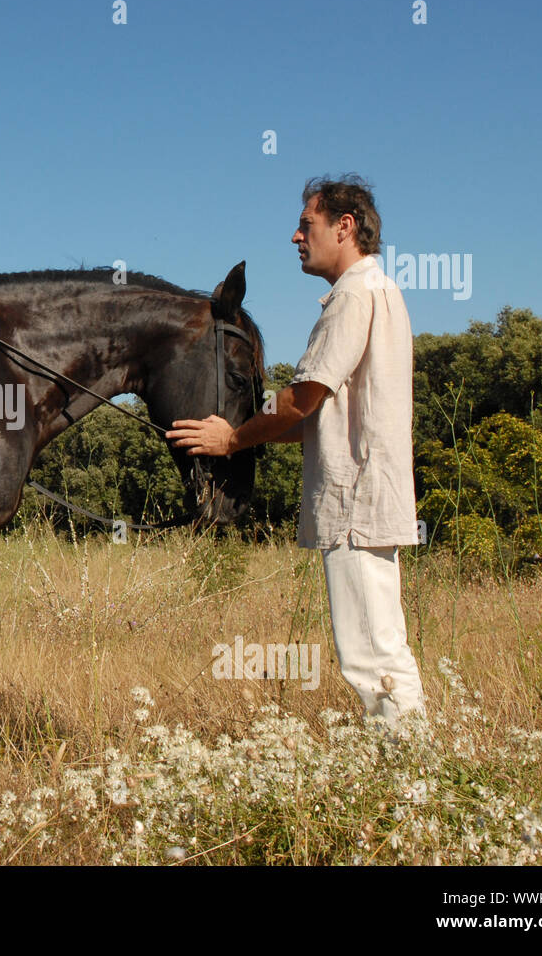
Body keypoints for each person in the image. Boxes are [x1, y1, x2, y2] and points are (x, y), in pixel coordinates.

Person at [167, 175, 427, 727]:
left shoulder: (353, 296)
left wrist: (232, 439)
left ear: (345, 226)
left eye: (307, 224)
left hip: (356, 504)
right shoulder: (381, 292)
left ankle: (409, 776)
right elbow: (319, 417)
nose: (296, 236)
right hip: (371, 497)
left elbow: (302, 398)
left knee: (369, 658)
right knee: (382, 646)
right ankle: (411, 770)